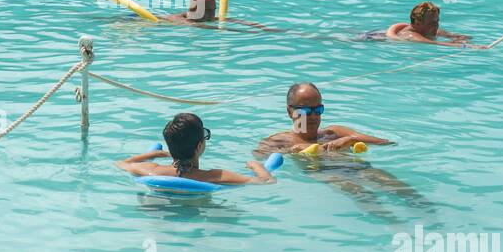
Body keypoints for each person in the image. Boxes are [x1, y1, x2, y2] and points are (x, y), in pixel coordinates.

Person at [116, 113, 276, 187]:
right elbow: (267, 181)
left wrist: (155, 154)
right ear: (199, 146)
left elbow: (121, 163)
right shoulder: (213, 176)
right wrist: (257, 166)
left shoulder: (152, 170)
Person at [257, 82, 395, 155]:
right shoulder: (278, 141)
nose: (313, 116)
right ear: (290, 111)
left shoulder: (334, 133)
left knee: (394, 184)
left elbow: (386, 142)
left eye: (318, 110)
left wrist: (351, 139)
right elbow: (260, 159)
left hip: (356, 166)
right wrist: (291, 151)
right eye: (305, 110)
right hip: (325, 172)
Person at [383, 1, 475, 46]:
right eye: (431, 23)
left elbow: (455, 36)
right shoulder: (409, 35)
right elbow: (433, 43)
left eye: (437, 22)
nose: (436, 26)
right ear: (418, 23)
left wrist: (462, 38)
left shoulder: (433, 29)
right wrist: (463, 46)